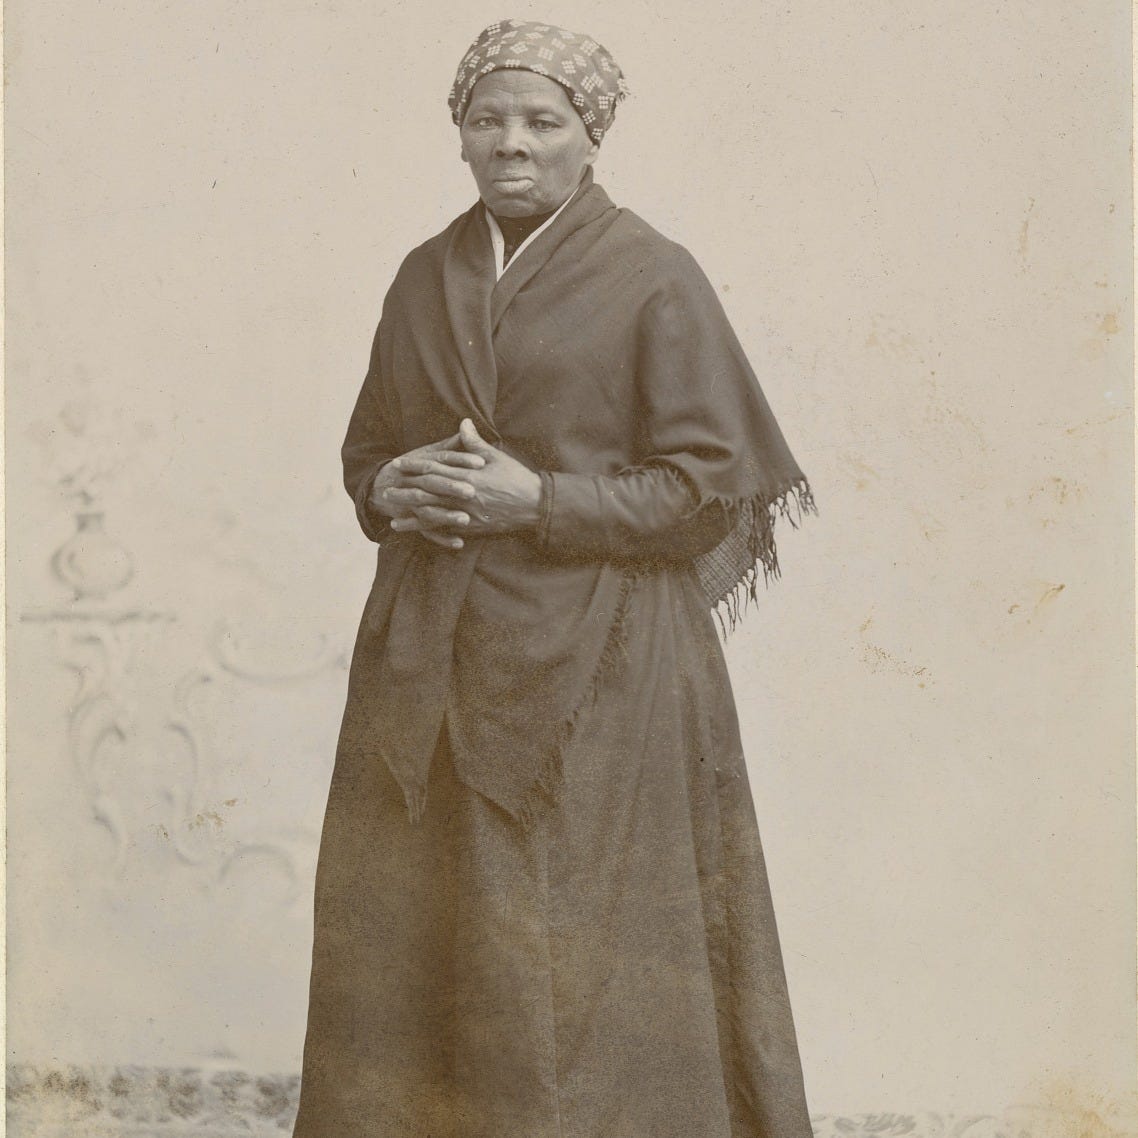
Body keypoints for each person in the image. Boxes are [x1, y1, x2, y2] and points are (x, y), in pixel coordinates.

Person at [292, 19, 816, 1138]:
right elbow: (367, 450)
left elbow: (709, 492)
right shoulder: (422, 275)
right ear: (459, 135)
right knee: (416, 931)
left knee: (579, 945)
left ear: (591, 137)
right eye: (488, 120)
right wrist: (388, 487)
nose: (512, 144)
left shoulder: (654, 276)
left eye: (543, 121)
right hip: (428, 660)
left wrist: (540, 502)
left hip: (604, 670)